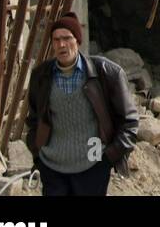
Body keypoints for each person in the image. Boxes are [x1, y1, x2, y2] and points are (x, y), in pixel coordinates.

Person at [25, 12, 139, 195]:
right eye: (56, 40)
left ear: (78, 40)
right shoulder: (41, 76)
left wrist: (108, 157)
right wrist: (38, 154)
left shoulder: (106, 73)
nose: (61, 45)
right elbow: (33, 120)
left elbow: (130, 122)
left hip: (93, 165)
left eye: (67, 38)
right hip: (53, 167)